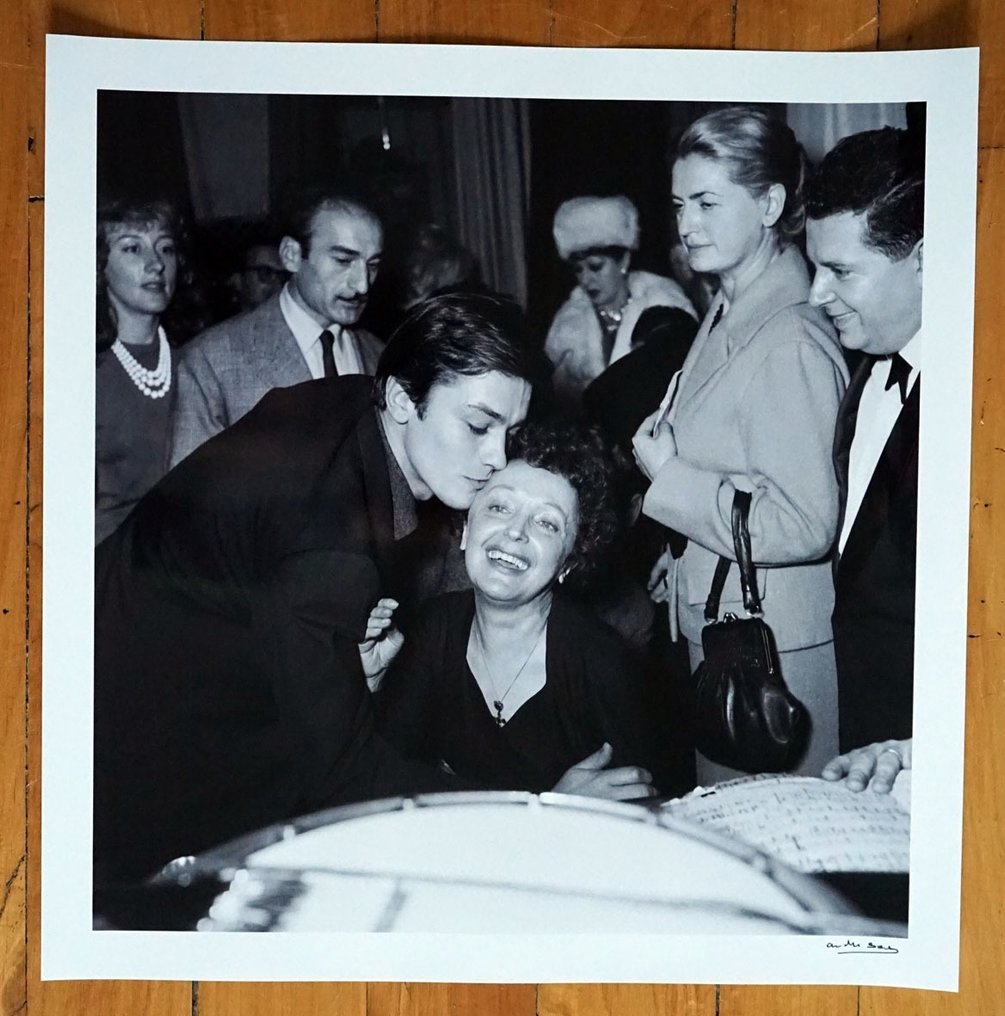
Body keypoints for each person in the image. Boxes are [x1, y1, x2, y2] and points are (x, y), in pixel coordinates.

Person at [93, 294, 535, 883]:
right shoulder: (331, 544)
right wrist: (528, 811)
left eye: (511, 430)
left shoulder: (354, 397)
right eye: (479, 425)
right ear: (404, 399)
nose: (497, 456)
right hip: (125, 737)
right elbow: (340, 775)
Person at [631, 107, 849, 781]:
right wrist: (686, 553)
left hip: (773, 655)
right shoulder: (729, 307)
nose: (685, 225)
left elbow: (805, 522)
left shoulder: (788, 336)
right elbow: (739, 463)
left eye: (705, 203)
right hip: (730, 630)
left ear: (769, 204)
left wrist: (667, 481)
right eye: (677, 205)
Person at [370, 419, 657, 800]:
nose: (516, 531)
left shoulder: (602, 665)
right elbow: (385, 790)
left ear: (569, 562)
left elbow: (648, 820)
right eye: (500, 506)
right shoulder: (433, 628)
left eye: (546, 523)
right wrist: (370, 686)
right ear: (467, 528)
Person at [805, 127, 924, 767]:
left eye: (842, 271)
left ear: (926, 259)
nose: (818, 293)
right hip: (865, 743)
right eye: (816, 265)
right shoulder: (868, 370)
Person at [169, 191, 385, 466]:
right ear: (291, 255)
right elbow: (188, 500)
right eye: (343, 261)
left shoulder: (382, 356)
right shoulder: (211, 362)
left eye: (373, 265)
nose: (362, 285)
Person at [544, 195, 696, 409]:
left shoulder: (665, 308)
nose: (586, 280)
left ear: (623, 260)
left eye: (596, 267)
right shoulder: (568, 328)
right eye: (578, 269)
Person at [95, 197, 188, 544]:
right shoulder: (85, 374)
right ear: (100, 265)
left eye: (165, 249)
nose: (156, 265)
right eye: (132, 249)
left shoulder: (199, 363)